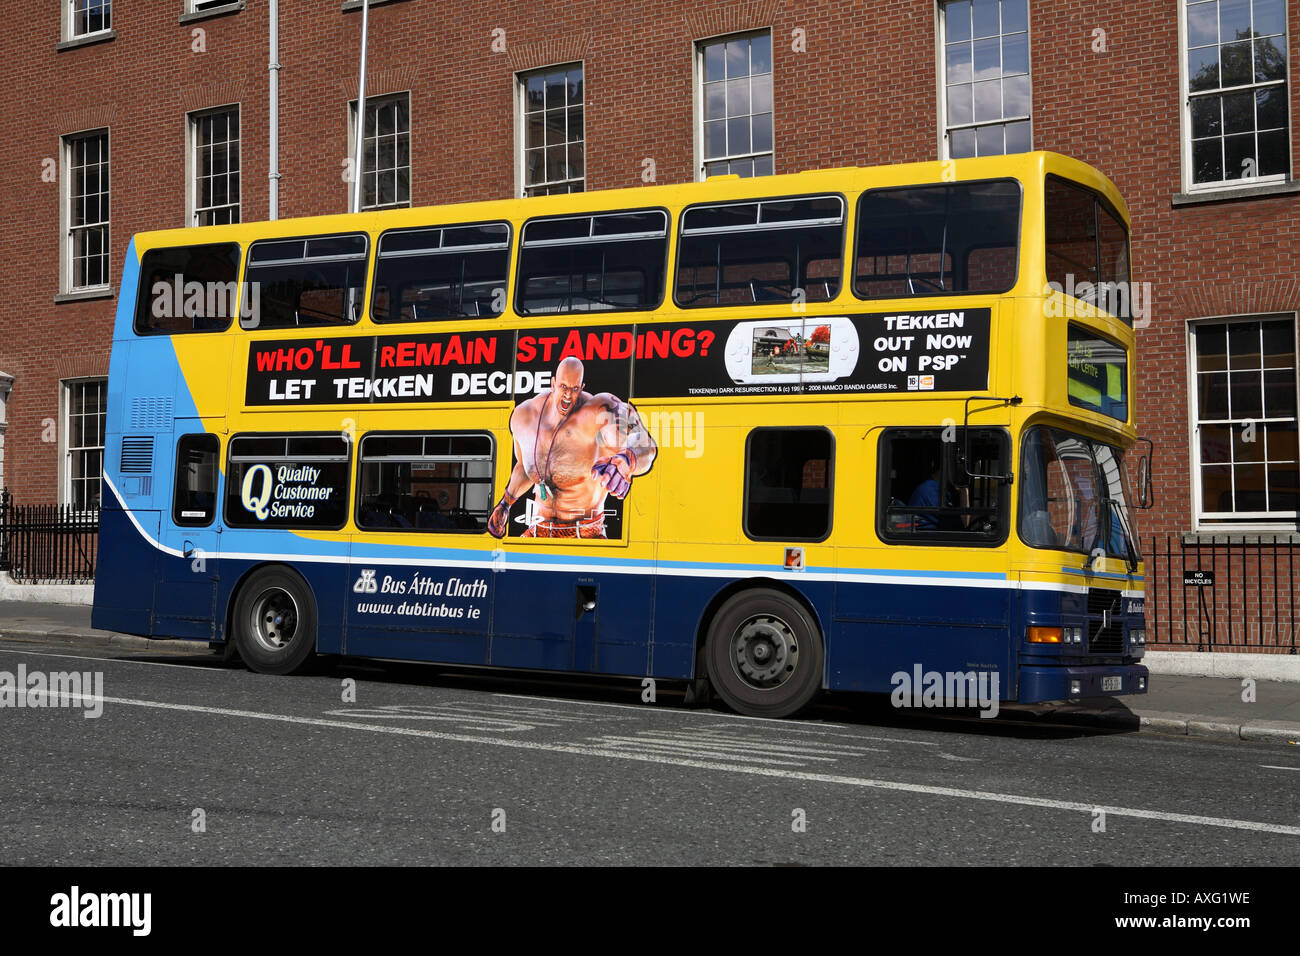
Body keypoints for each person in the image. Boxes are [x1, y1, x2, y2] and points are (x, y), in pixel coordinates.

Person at [488, 356, 657, 538]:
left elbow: (642, 441)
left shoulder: (600, 410)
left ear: (582, 387)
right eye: (563, 387)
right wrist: (505, 504)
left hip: (586, 535)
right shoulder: (524, 416)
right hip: (538, 532)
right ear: (553, 384)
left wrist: (627, 459)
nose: (568, 396)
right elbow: (524, 466)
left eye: (575, 389)